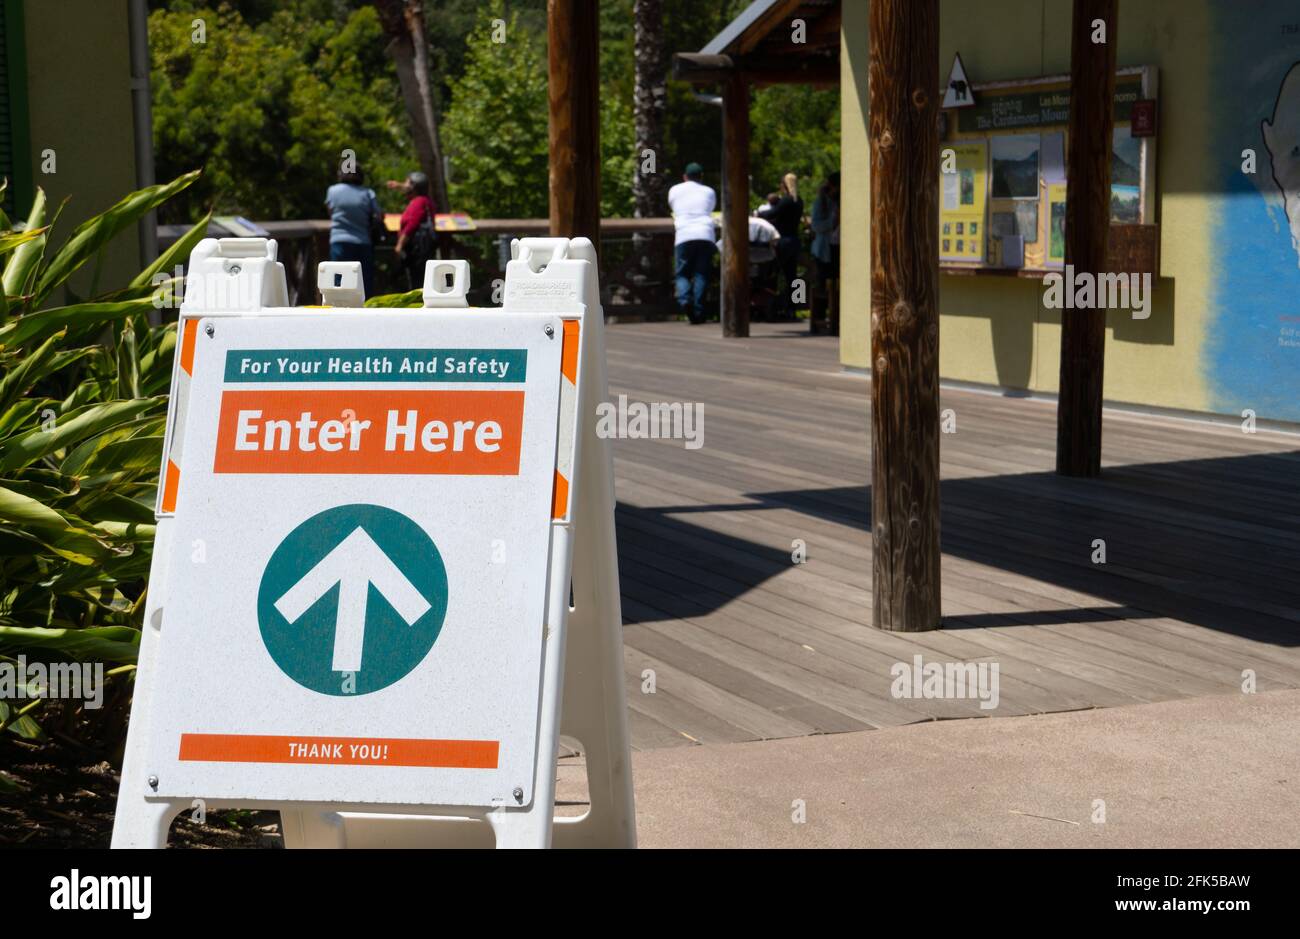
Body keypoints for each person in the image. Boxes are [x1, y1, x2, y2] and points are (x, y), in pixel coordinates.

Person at [667, 162, 717, 324]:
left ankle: (685, 299)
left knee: (682, 274)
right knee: (701, 274)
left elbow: (673, 206)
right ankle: (699, 311)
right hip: (706, 233)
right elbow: (710, 208)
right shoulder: (709, 191)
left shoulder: (674, 190)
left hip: (684, 234)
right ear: (701, 177)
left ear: (684, 177)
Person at [325, 166, 380, 298]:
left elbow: (330, 212)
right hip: (363, 242)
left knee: (339, 280)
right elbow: (378, 215)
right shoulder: (368, 193)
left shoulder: (333, 191)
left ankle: (338, 306)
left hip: (339, 240)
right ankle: (365, 306)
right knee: (363, 282)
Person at [758, 173, 804, 318]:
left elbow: (772, 213)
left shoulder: (786, 200)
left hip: (783, 241)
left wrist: (758, 213)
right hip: (794, 241)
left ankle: (770, 306)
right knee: (793, 276)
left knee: (773, 273)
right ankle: (794, 307)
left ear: (784, 185)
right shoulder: (799, 201)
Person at [386, 171, 437, 290]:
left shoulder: (418, 202)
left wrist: (399, 245)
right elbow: (408, 187)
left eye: (407, 182)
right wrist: (398, 185)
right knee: (419, 279)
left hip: (416, 249)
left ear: (414, 187)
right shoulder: (426, 200)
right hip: (423, 249)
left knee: (415, 281)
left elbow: (412, 225)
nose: (404, 185)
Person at [810, 172, 841, 332]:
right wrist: (834, 221)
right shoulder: (822, 202)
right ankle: (821, 319)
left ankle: (836, 318)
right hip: (825, 250)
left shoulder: (842, 200)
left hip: (840, 247)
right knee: (821, 285)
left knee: (838, 286)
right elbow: (815, 226)